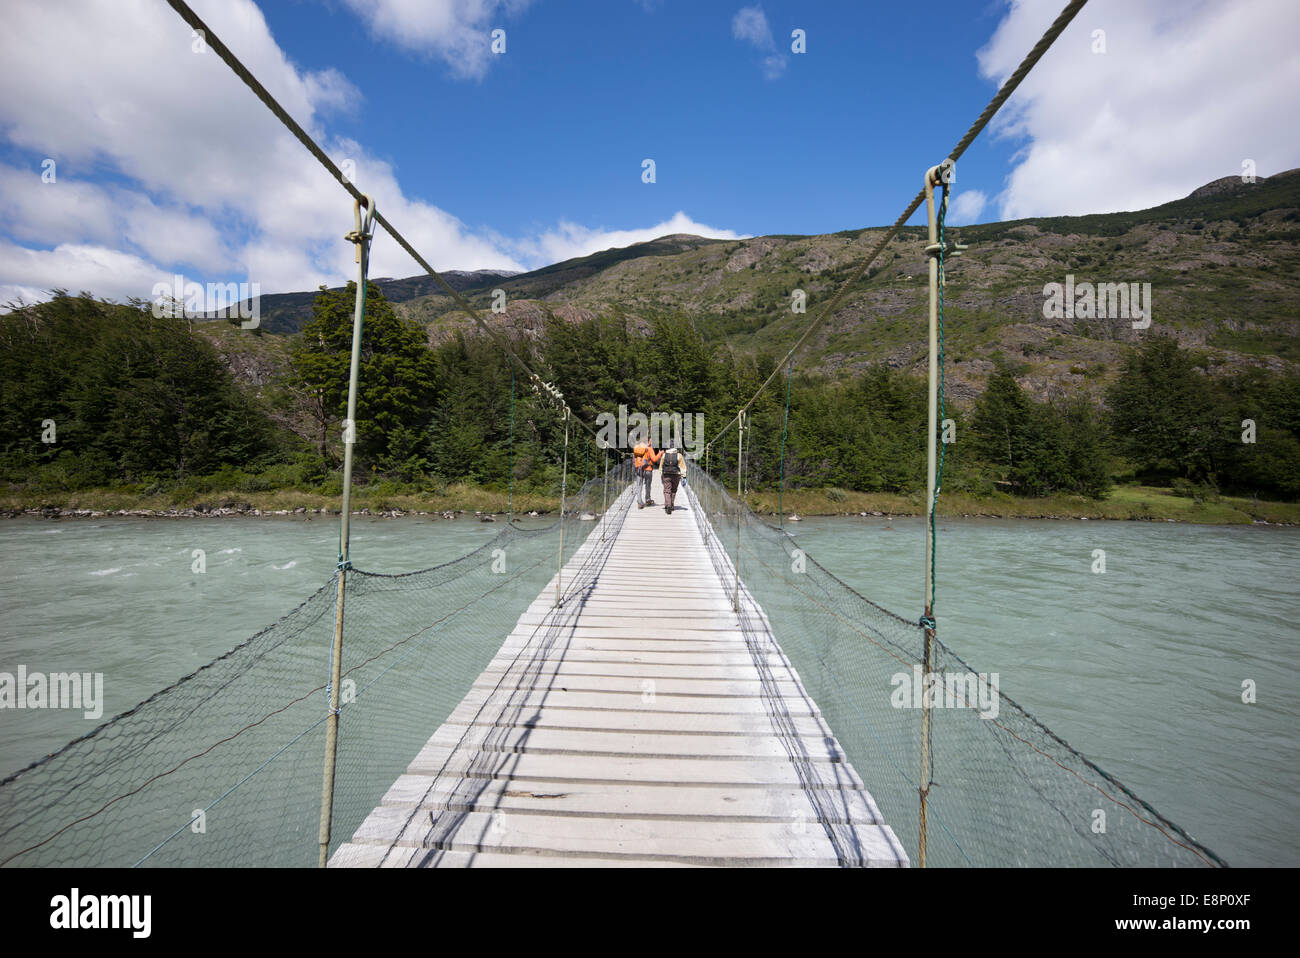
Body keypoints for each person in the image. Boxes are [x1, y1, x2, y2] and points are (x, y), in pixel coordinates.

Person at [660, 446, 686, 514]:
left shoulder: (664, 455)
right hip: (676, 475)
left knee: (667, 490)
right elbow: (682, 467)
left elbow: (661, 466)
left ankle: (668, 505)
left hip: (666, 474)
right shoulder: (679, 455)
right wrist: (684, 477)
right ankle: (671, 505)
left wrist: (661, 475)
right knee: (673, 490)